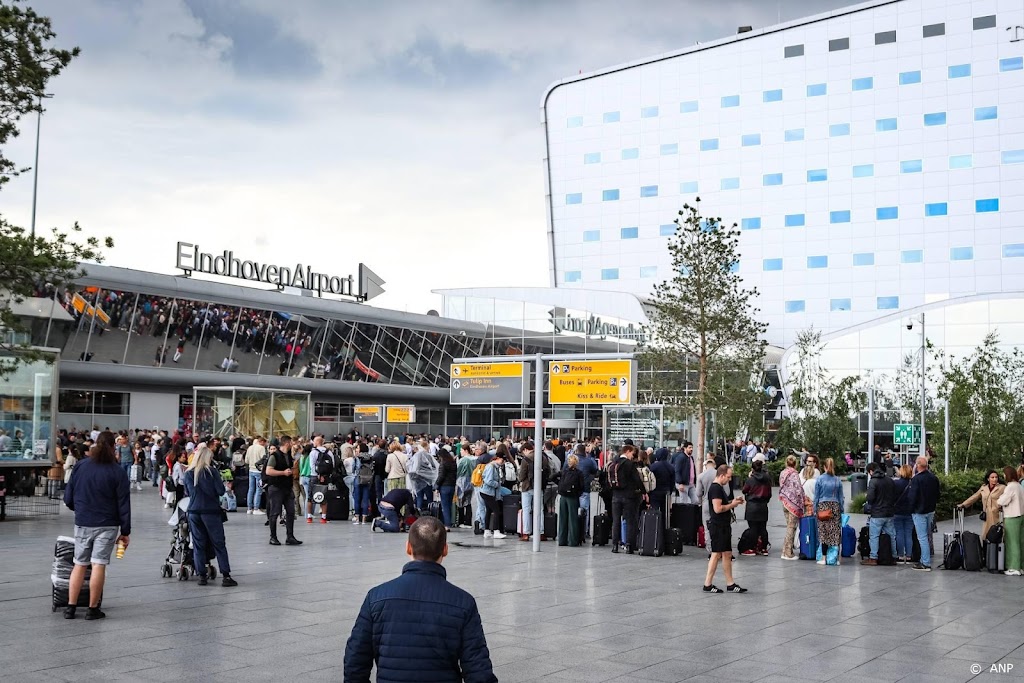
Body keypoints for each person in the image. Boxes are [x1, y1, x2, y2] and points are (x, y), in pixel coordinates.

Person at [344, 517, 496, 682]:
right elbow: (478, 670)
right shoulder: (463, 602)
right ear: (445, 550)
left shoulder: (376, 597)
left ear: (408, 547)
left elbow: (355, 661)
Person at [61, 431, 131, 620]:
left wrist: (79, 509)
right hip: (107, 524)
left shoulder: (81, 466)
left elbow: (68, 496)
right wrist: (125, 531)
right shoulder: (117, 471)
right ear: (113, 447)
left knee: (79, 564)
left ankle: (70, 607)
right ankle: (92, 609)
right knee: (99, 564)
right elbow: (124, 504)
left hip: (83, 522)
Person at [183, 446, 237, 587]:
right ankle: (226, 575)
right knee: (219, 544)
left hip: (194, 511)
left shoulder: (188, 473)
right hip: (210, 511)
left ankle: (202, 576)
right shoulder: (212, 472)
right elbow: (220, 491)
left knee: (198, 544)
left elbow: (188, 492)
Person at [702, 465, 747, 593]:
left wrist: (733, 501)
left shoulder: (719, 488)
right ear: (721, 475)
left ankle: (730, 583)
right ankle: (707, 584)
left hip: (723, 525)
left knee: (727, 553)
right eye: (728, 477)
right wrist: (732, 504)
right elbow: (718, 509)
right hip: (718, 526)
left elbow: (722, 504)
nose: (729, 479)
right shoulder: (716, 488)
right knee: (716, 554)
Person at [264, 435, 302, 546]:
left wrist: (292, 470)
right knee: (275, 512)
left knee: (290, 511)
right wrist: (283, 473)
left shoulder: (288, 456)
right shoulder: (274, 456)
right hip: (276, 487)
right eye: (291, 443)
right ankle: (273, 537)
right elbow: (268, 471)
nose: (292, 445)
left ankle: (290, 537)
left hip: (287, 487)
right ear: (287, 443)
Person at [609, 444, 646, 554]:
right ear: (627, 451)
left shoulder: (613, 463)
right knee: (630, 521)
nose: (632, 456)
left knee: (616, 521)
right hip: (629, 496)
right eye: (632, 453)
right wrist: (644, 492)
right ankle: (629, 545)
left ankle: (615, 545)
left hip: (616, 496)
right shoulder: (629, 464)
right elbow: (637, 479)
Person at [907, 455, 940, 571]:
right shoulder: (934, 478)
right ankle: (923, 559)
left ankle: (925, 562)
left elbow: (912, 496)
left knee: (922, 537)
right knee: (926, 535)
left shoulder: (916, 479)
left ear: (918, 465)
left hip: (919, 511)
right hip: (930, 510)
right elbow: (937, 494)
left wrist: (911, 509)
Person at [862, 461, 896, 566]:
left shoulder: (873, 481)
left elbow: (870, 498)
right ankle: (893, 556)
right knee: (891, 535)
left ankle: (873, 557)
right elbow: (894, 495)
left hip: (877, 513)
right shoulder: (889, 480)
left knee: (874, 536)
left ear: (871, 471)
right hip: (889, 513)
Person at [814, 458, 845, 566]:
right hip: (835, 507)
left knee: (824, 532)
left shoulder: (820, 479)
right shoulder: (837, 480)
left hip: (823, 507)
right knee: (835, 533)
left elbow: (816, 496)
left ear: (824, 467)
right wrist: (841, 510)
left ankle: (823, 558)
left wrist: (815, 509)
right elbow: (841, 497)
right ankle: (835, 559)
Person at [958, 469, 1005, 541]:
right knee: (985, 536)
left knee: (995, 535)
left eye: (996, 477)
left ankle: (996, 548)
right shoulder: (984, 488)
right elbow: (975, 497)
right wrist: (963, 504)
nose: (995, 479)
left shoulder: (1002, 487)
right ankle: (986, 547)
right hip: (987, 515)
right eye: (992, 477)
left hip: (997, 515)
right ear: (988, 479)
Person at [741, 454, 772, 555]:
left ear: (752, 468)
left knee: (753, 528)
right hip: (763, 505)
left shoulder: (750, 479)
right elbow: (769, 493)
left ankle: (751, 548)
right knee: (763, 528)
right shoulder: (767, 478)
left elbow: (744, 490)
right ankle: (764, 548)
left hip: (752, 506)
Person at [516, 442, 546, 541]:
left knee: (526, 510)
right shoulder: (543, 457)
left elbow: (521, 476)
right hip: (539, 487)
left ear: (525, 450)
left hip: (527, 487)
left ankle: (526, 533)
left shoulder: (525, 460)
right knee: (540, 510)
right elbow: (548, 471)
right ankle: (541, 532)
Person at [998, 467, 1024, 576]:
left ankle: (1013, 567)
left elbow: (1003, 501)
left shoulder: (1010, 487)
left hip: (1012, 516)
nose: (1003, 476)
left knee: (1012, 542)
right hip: (1021, 515)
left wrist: (999, 500)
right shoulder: (1019, 486)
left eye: (1004, 474)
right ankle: (1021, 567)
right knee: (1020, 541)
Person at [778, 455, 804, 560]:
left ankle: (785, 551)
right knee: (791, 527)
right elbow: (798, 489)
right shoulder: (794, 474)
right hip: (793, 504)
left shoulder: (783, 473)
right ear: (795, 463)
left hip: (784, 501)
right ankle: (788, 552)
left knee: (789, 526)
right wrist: (802, 500)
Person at [557, 454, 584, 546]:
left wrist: (560, 486)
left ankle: (562, 540)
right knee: (573, 520)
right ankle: (573, 541)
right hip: (573, 498)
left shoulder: (564, 472)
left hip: (563, 497)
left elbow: (553, 477)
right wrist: (577, 493)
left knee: (562, 519)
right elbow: (582, 486)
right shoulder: (579, 473)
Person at [479, 450, 506, 539]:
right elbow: (488, 480)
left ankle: (487, 531)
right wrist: (497, 484)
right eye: (502, 460)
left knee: (489, 510)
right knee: (496, 511)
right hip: (488, 492)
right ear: (497, 458)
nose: (503, 462)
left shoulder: (494, 467)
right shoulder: (491, 467)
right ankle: (496, 531)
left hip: (486, 492)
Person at [892, 464, 915, 563]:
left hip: (897, 511)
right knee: (908, 534)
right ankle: (909, 556)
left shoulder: (896, 483)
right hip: (910, 512)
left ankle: (900, 556)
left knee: (899, 533)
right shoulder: (913, 484)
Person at [408, 440, 438, 511]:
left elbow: (412, 467)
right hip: (427, 480)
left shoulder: (416, 456)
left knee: (419, 497)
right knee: (429, 498)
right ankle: (431, 512)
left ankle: (418, 512)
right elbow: (434, 467)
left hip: (417, 480)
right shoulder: (428, 455)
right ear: (425, 446)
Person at [435, 447, 457, 531]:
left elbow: (441, 476)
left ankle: (447, 525)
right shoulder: (453, 463)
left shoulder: (443, 464)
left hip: (444, 486)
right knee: (449, 505)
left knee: (445, 507)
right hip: (452, 486)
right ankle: (449, 522)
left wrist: (436, 485)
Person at [244, 436, 267, 515]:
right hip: (258, 471)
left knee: (251, 489)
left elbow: (246, 460)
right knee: (258, 489)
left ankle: (249, 508)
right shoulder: (261, 448)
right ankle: (256, 508)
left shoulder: (249, 448)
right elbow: (263, 459)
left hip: (251, 470)